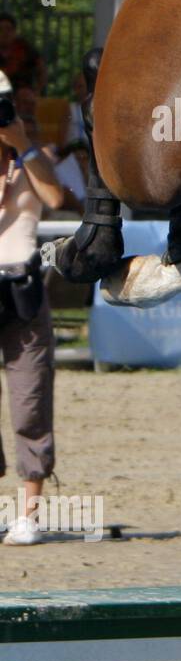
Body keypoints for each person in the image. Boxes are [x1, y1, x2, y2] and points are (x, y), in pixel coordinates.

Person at [0, 71, 66, 544]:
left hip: (21, 288)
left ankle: (28, 515)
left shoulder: (31, 157)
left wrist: (21, 145)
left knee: (30, 400)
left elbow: (56, 197)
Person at [0, 14, 47, 93]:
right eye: (0, 30)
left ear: (15, 32)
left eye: (9, 29)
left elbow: (42, 70)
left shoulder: (24, 48)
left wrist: (37, 92)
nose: (5, 33)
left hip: (23, 97)